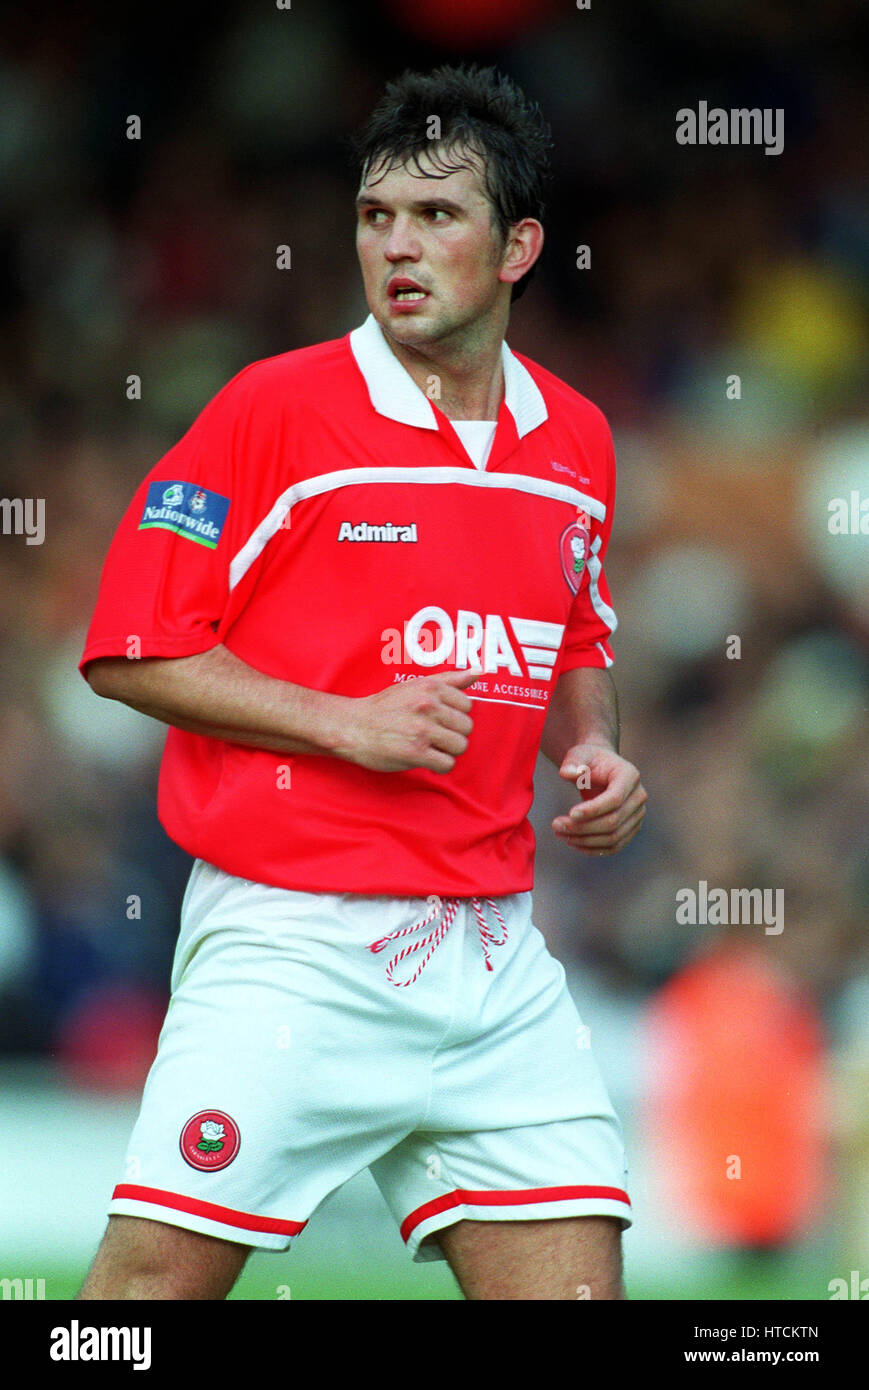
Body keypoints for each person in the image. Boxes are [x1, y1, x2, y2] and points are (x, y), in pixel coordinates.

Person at [76, 64, 646, 1301]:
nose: (396, 244)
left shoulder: (578, 440)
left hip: (494, 954)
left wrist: (590, 749)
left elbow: (576, 639)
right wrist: (342, 721)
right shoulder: (268, 410)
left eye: (436, 216)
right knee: (139, 1306)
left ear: (519, 246)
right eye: (374, 216)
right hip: (294, 942)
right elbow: (132, 645)